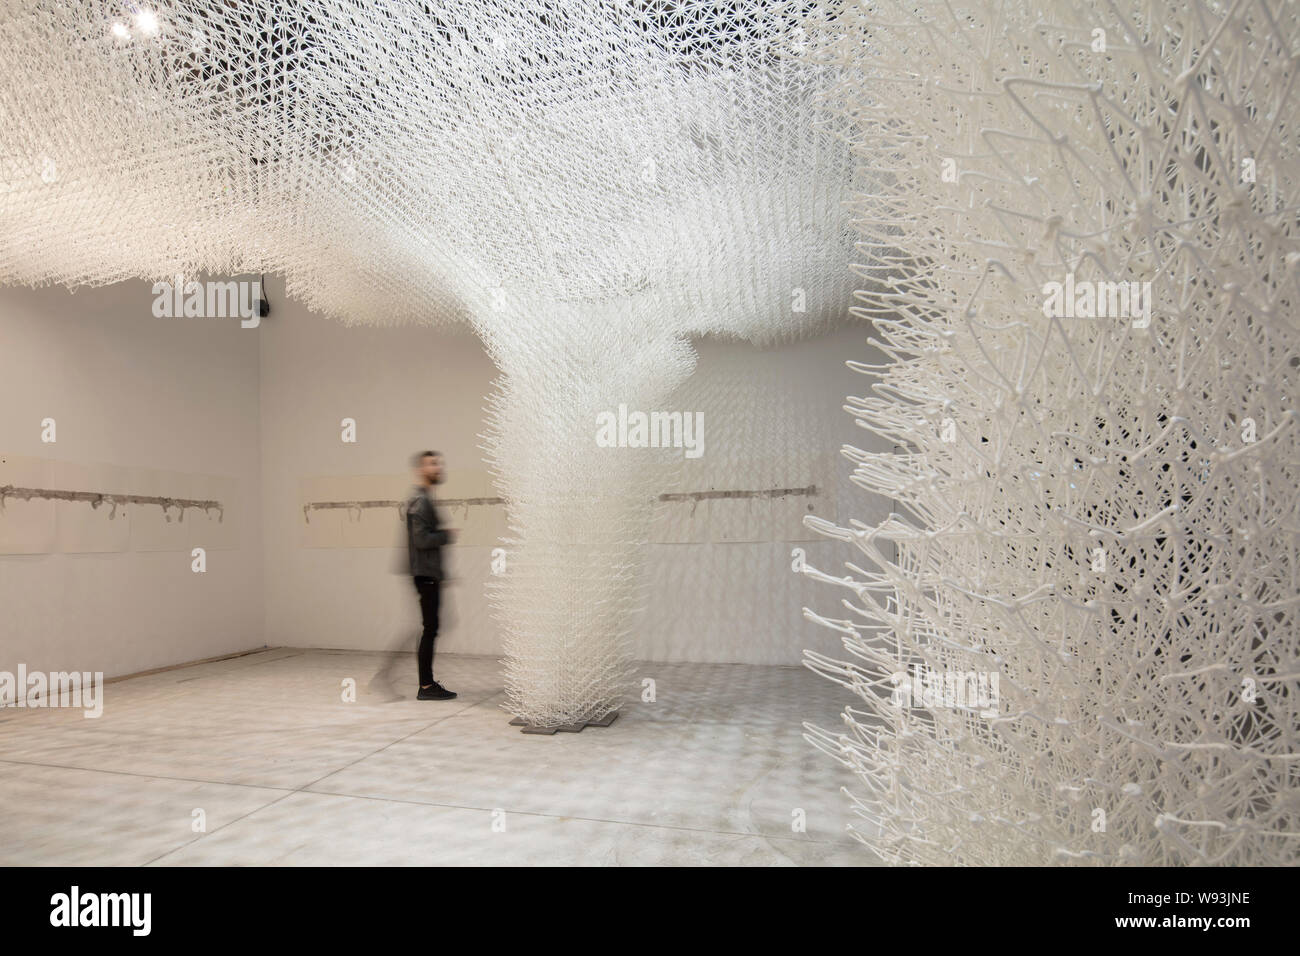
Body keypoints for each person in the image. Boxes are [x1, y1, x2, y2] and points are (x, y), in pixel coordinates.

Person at [406, 450, 457, 700]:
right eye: (432, 464)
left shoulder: (426, 499)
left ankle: (426, 684)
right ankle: (425, 687)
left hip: (428, 573)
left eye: (438, 463)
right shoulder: (420, 501)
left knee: (431, 627)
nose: (437, 468)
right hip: (425, 574)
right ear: (421, 470)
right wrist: (445, 535)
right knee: (430, 628)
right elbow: (421, 539)